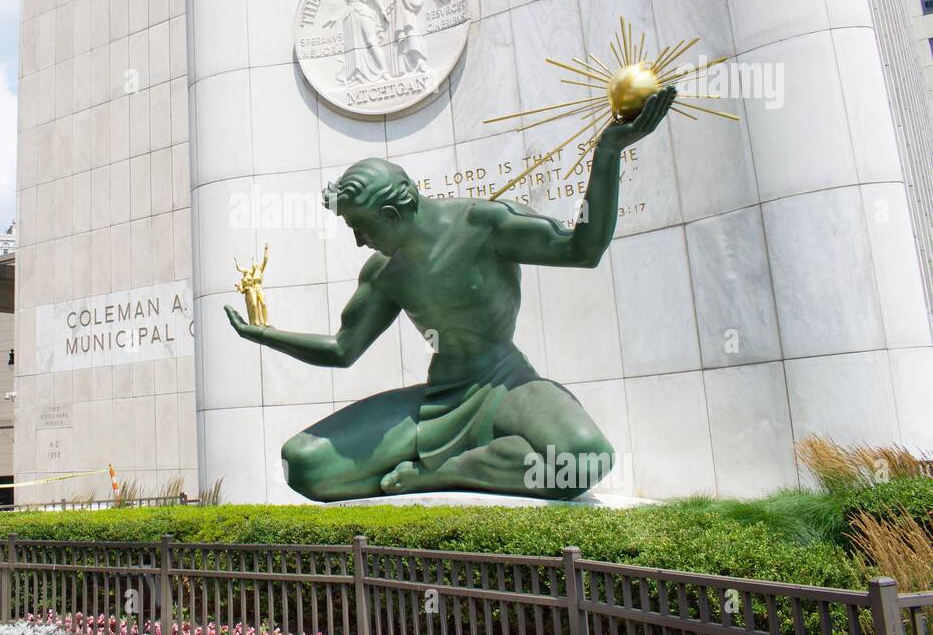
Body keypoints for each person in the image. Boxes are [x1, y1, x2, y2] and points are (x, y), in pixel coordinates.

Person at [226, 87, 678, 501]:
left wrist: (608, 152)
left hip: (507, 385)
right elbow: (342, 350)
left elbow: (583, 249)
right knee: (302, 463)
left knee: (585, 459)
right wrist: (262, 334)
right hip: (440, 397)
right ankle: (465, 457)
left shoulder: (485, 225)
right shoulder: (385, 271)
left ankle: (440, 472)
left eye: (360, 228)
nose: (359, 242)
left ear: (391, 213)